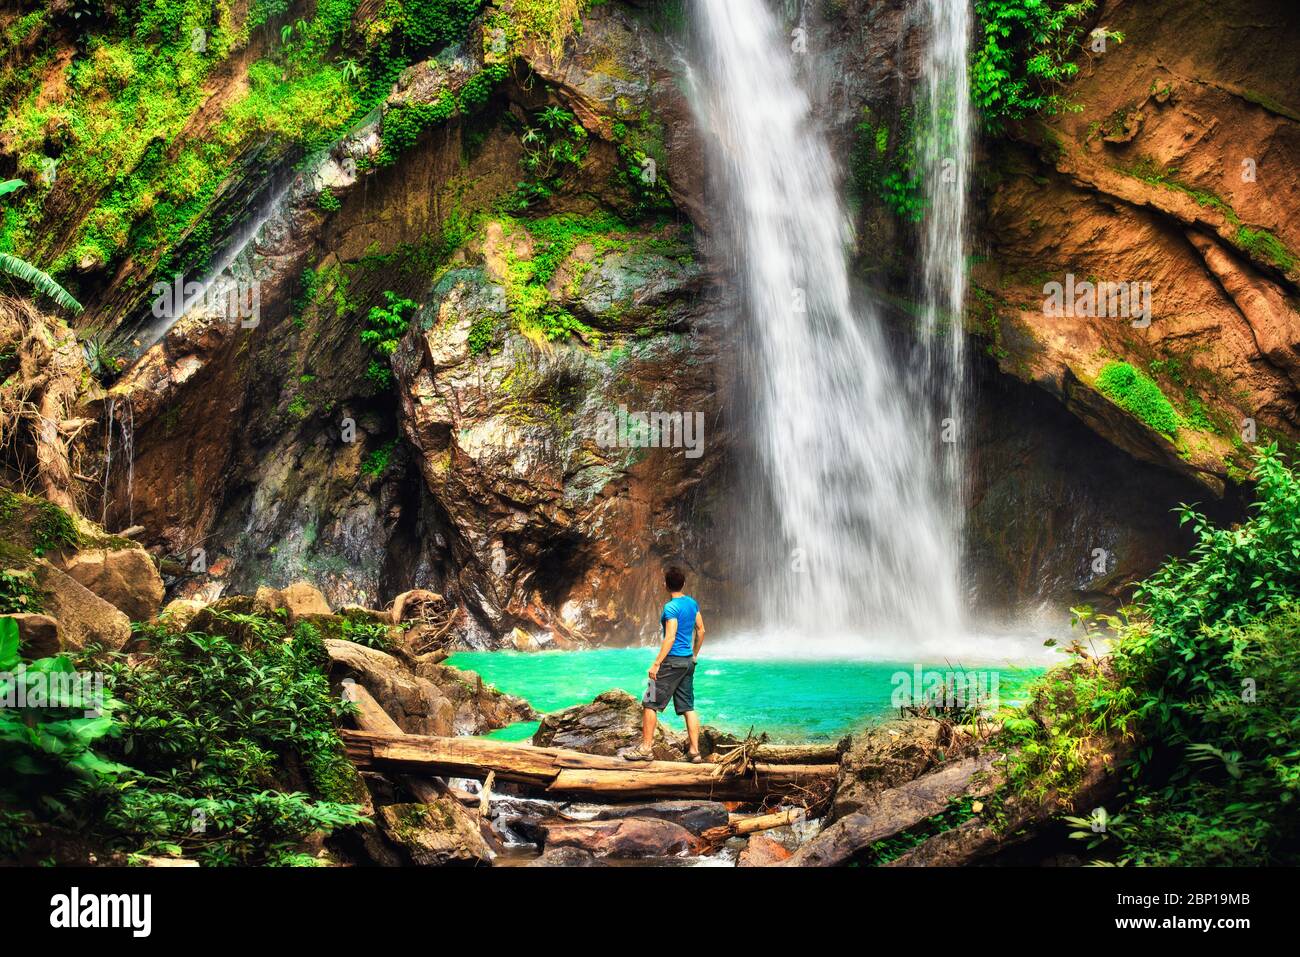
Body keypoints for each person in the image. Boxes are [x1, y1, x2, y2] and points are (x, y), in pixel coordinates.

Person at [624, 565, 705, 763]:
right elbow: (701, 630)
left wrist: (656, 664)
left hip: (671, 663)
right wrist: (694, 655)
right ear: (683, 583)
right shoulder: (692, 604)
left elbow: (670, 637)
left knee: (649, 701)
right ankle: (694, 751)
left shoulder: (671, 607)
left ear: (665, 585)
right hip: (687, 663)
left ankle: (645, 749)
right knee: (688, 706)